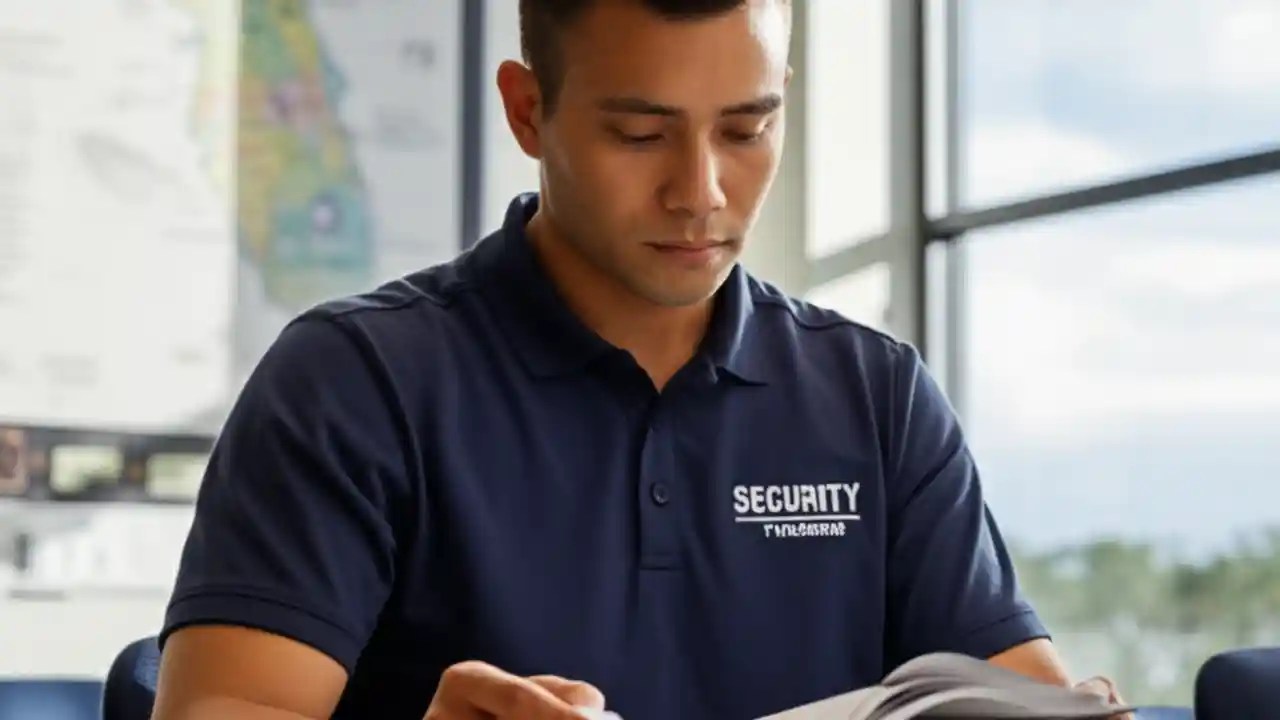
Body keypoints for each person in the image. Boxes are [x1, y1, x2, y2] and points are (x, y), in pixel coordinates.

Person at [152, 1, 1129, 718]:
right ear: (527, 110)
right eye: (638, 133)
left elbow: (1013, 696)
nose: (700, 191)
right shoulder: (352, 381)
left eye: (746, 128)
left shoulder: (877, 396)